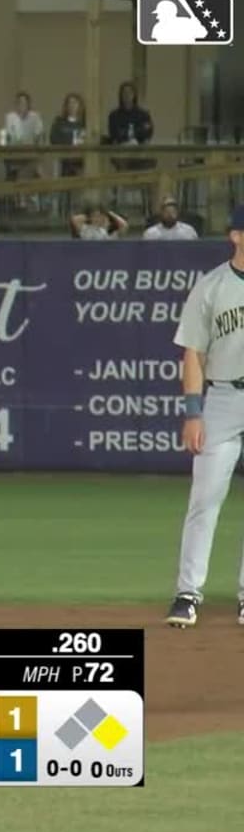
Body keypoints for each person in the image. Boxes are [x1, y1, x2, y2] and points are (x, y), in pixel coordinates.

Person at [166, 206, 244, 628]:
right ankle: (187, 592)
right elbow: (193, 353)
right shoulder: (211, 286)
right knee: (205, 500)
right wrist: (193, 413)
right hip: (224, 397)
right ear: (236, 235)